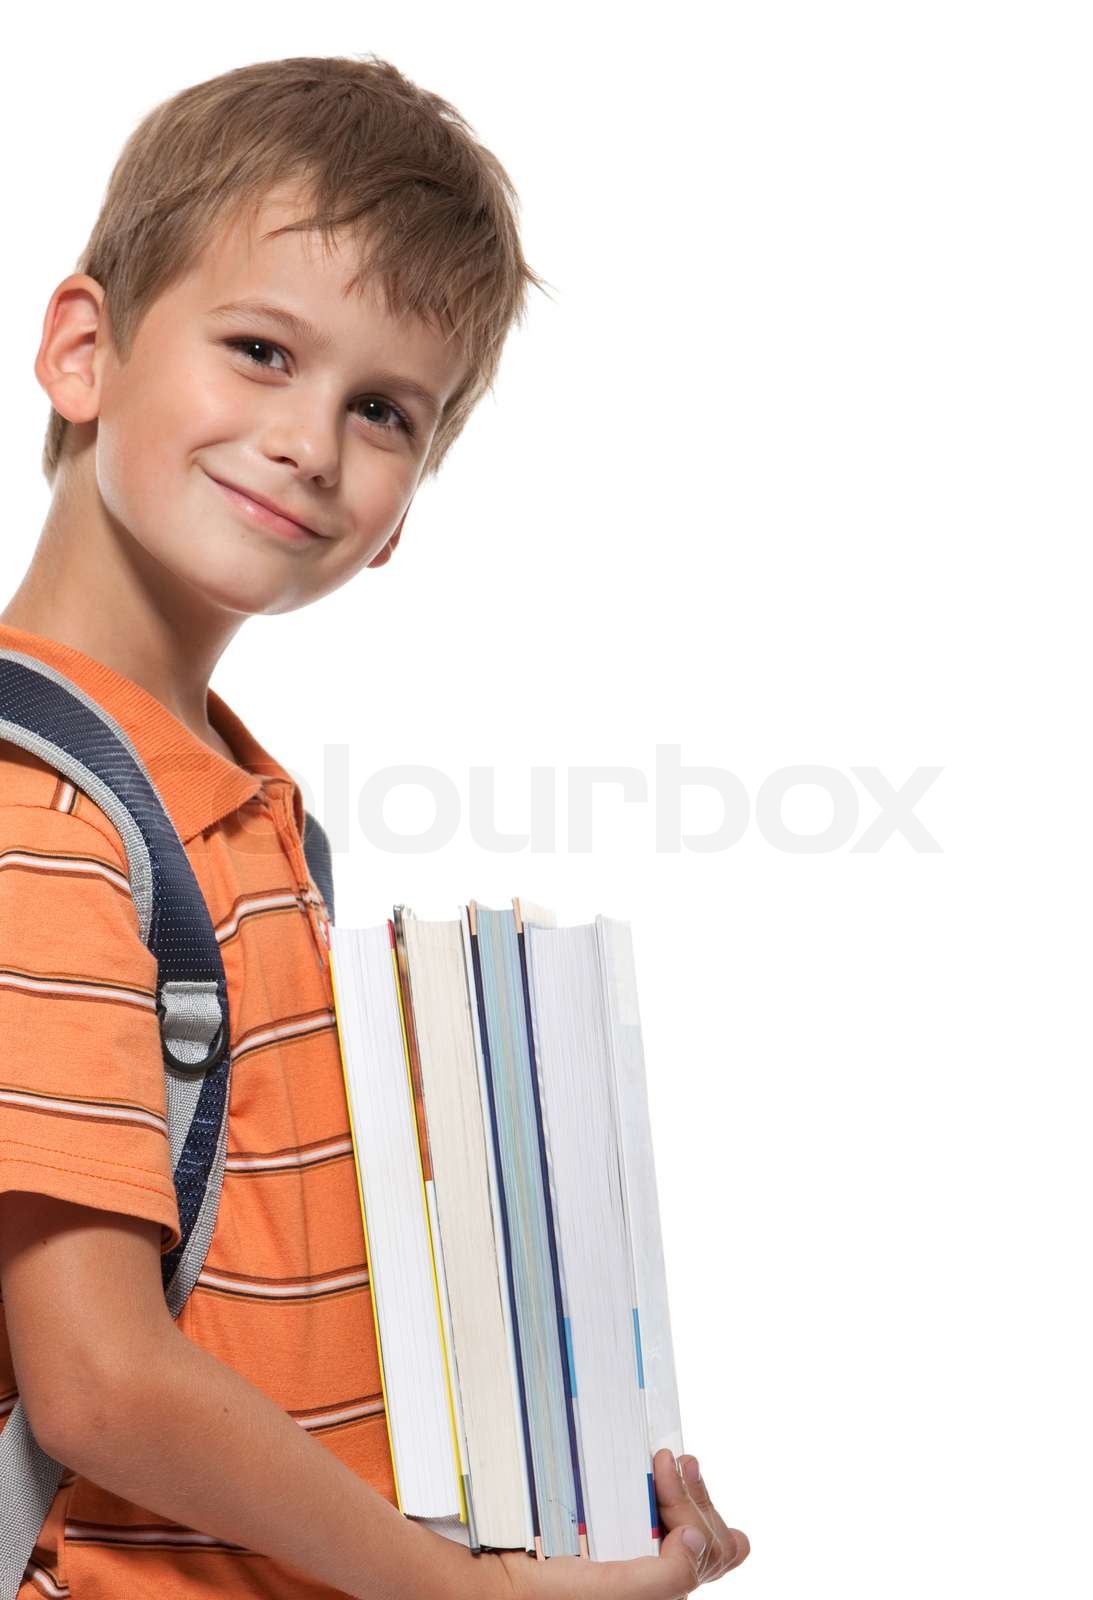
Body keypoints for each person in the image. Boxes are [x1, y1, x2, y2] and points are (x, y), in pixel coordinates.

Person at [0, 53, 750, 1599]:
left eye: (383, 411)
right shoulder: (42, 812)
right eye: (260, 349)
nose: (308, 442)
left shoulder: (230, 802)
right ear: (84, 350)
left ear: (406, 510)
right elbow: (100, 1383)